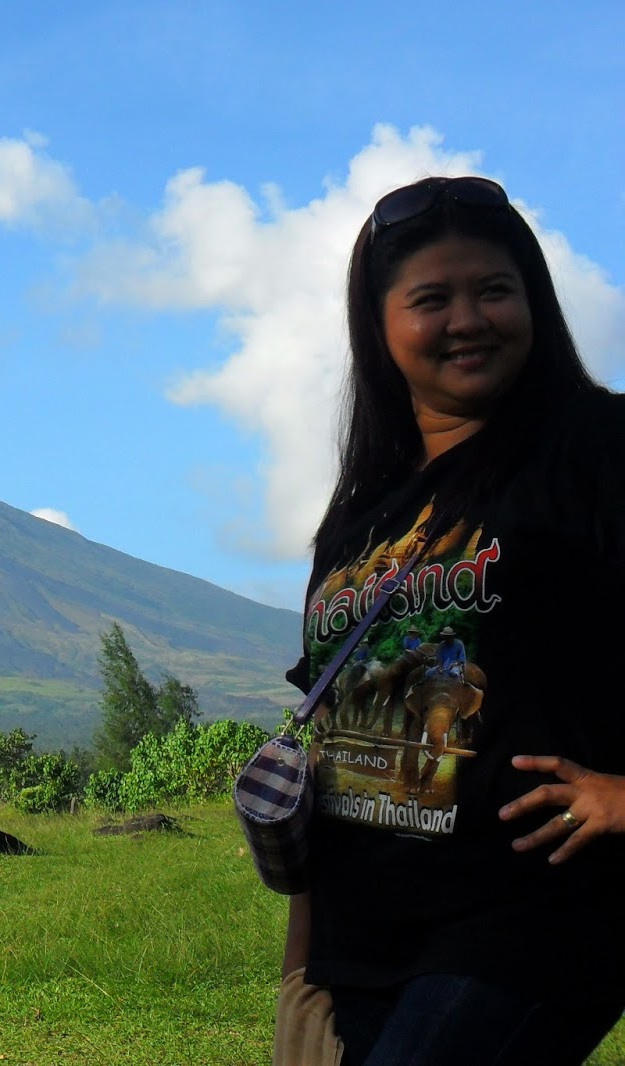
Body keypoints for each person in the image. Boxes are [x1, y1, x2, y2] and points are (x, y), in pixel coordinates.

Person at [279, 175, 625, 1065]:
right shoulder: (360, 520)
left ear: (534, 303)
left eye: (494, 291)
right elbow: (339, 735)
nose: (468, 319)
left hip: (526, 918)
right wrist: (301, 968)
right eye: (432, 299)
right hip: (363, 940)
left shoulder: (595, 447)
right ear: (380, 325)